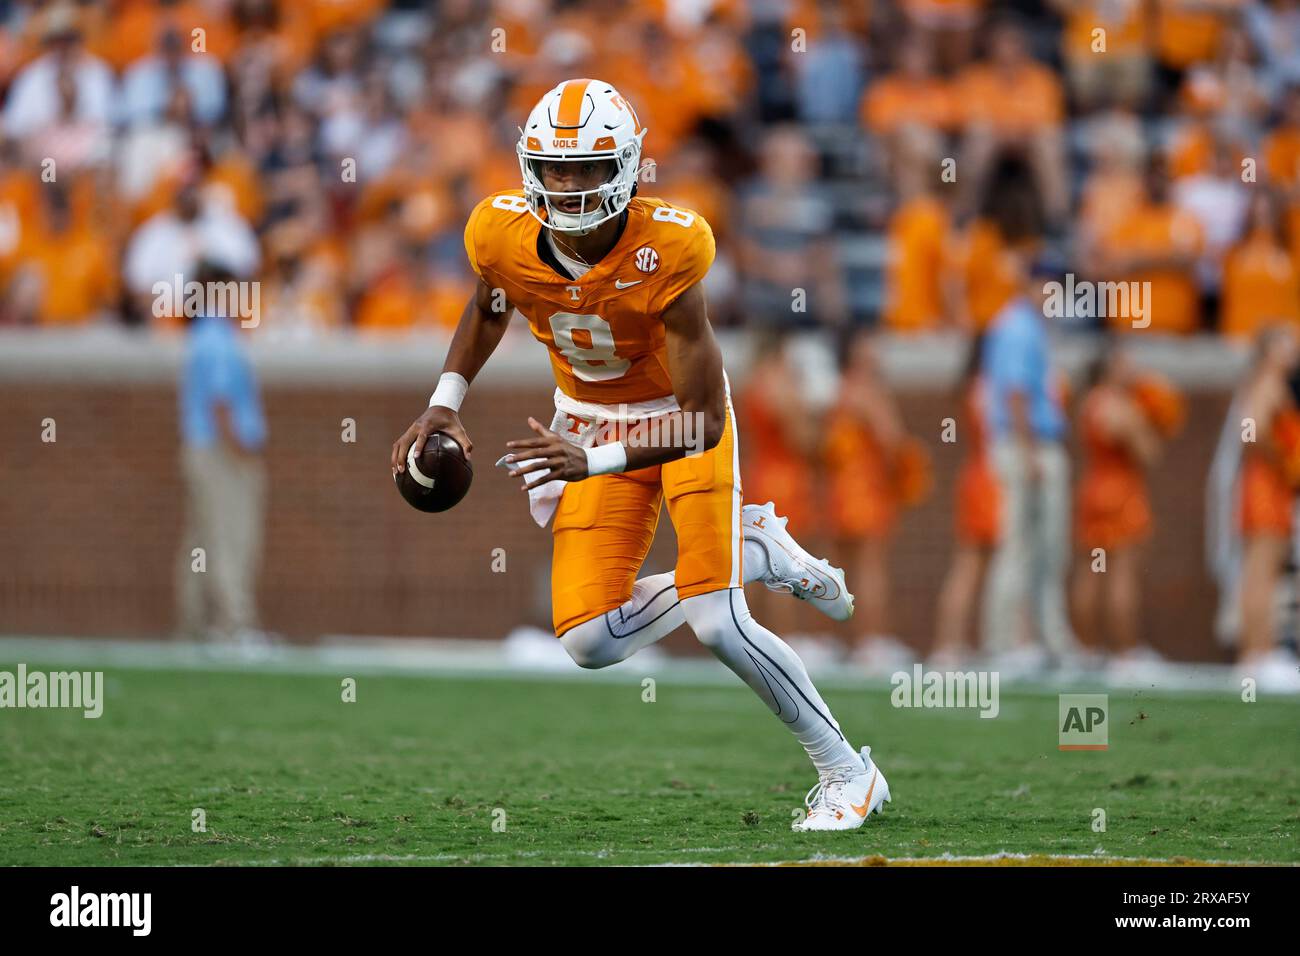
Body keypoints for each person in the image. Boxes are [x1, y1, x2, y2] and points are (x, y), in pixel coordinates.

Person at [392, 80, 889, 831]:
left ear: (624, 168)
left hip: (680, 419)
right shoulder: (497, 233)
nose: (568, 184)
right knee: (590, 638)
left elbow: (703, 423)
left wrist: (585, 463)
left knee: (717, 621)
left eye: (587, 168)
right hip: (588, 421)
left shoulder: (671, 247)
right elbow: (491, 302)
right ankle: (752, 548)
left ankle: (848, 772)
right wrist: (445, 399)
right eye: (554, 168)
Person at [979, 183, 1080, 673]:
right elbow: (1014, 395)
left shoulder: (1031, 326)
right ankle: (1003, 644)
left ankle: (1048, 639)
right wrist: (1031, 451)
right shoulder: (1018, 325)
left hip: (1033, 443)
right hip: (1026, 445)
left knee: (1047, 549)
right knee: (1019, 545)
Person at [1071, 344, 1181, 682]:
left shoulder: (1088, 402)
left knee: (1092, 570)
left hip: (1092, 488)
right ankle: (1125, 653)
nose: (1131, 368)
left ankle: (1087, 650)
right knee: (1122, 572)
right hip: (1120, 491)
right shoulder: (1119, 405)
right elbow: (1148, 452)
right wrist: (1153, 423)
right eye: (1123, 363)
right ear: (1109, 368)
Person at [175, 263, 269, 653]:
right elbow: (221, 403)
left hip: (205, 448)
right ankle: (234, 625)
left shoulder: (206, 335)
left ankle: (194, 625)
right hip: (220, 450)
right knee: (231, 535)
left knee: (203, 538)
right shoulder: (217, 338)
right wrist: (240, 449)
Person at [1232, 325, 1300, 690]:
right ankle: (1257, 653)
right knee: (1262, 569)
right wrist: (1283, 460)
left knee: (1260, 570)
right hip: (1266, 485)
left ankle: (1256, 653)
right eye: (1285, 344)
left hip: (1262, 483)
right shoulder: (1268, 384)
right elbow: (1252, 430)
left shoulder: (1262, 383)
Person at [932, 335, 999, 667]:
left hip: (977, 475)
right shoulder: (988, 387)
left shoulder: (974, 385)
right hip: (991, 478)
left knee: (975, 564)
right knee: (973, 563)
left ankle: (956, 643)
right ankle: (950, 643)